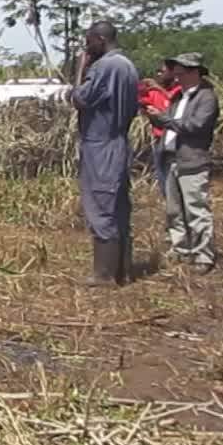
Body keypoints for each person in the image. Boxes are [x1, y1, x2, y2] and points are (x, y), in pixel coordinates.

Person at [68, 21, 139, 287]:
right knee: (119, 205)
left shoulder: (104, 66)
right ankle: (124, 270)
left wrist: (80, 69)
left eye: (89, 42)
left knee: (100, 205)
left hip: (100, 143)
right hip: (119, 140)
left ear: (99, 39)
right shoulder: (128, 66)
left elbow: (80, 99)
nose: (87, 47)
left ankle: (104, 274)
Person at [142, 53, 220, 274]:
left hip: (192, 161)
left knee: (196, 209)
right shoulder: (179, 97)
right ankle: (182, 250)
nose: (176, 75)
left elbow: (196, 126)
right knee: (174, 210)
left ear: (195, 72)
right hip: (171, 158)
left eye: (181, 71)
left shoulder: (206, 97)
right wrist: (154, 115)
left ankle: (203, 256)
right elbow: (171, 122)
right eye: (176, 71)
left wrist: (164, 118)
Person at [137, 62, 181, 196]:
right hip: (159, 140)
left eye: (162, 72)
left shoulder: (179, 90)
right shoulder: (154, 93)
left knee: (176, 181)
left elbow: (171, 100)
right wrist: (142, 87)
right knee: (163, 179)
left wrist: (158, 88)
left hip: (176, 142)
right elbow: (139, 99)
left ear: (173, 74)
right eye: (157, 72)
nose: (158, 75)